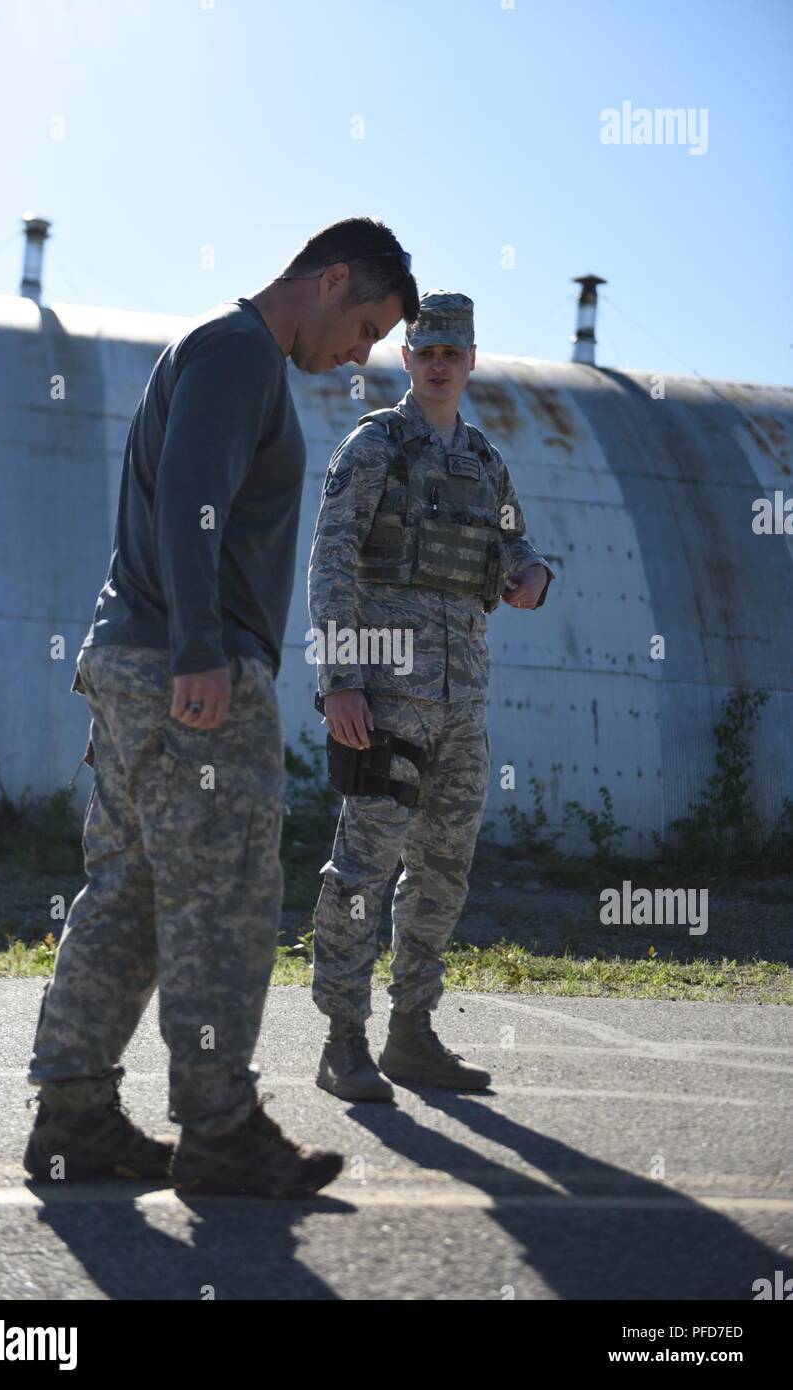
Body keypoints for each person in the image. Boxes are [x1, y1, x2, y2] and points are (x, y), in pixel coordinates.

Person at [24, 218, 419, 1196]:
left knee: (136, 892)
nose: (359, 355)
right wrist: (203, 646)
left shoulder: (222, 350)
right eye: (365, 326)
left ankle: (73, 1117)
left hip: (133, 657)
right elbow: (192, 499)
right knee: (226, 896)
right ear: (330, 281)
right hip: (187, 665)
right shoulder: (241, 350)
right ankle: (220, 1127)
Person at [308, 290, 554, 1102]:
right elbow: (332, 559)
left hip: (461, 702)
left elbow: (513, 540)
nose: (440, 363)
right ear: (407, 359)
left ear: (472, 361)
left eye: (454, 351)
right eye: (427, 351)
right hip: (383, 698)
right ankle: (342, 1041)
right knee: (362, 870)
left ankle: (410, 1034)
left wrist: (530, 573)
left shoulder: (483, 460)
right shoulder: (376, 445)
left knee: (442, 872)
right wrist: (340, 682)